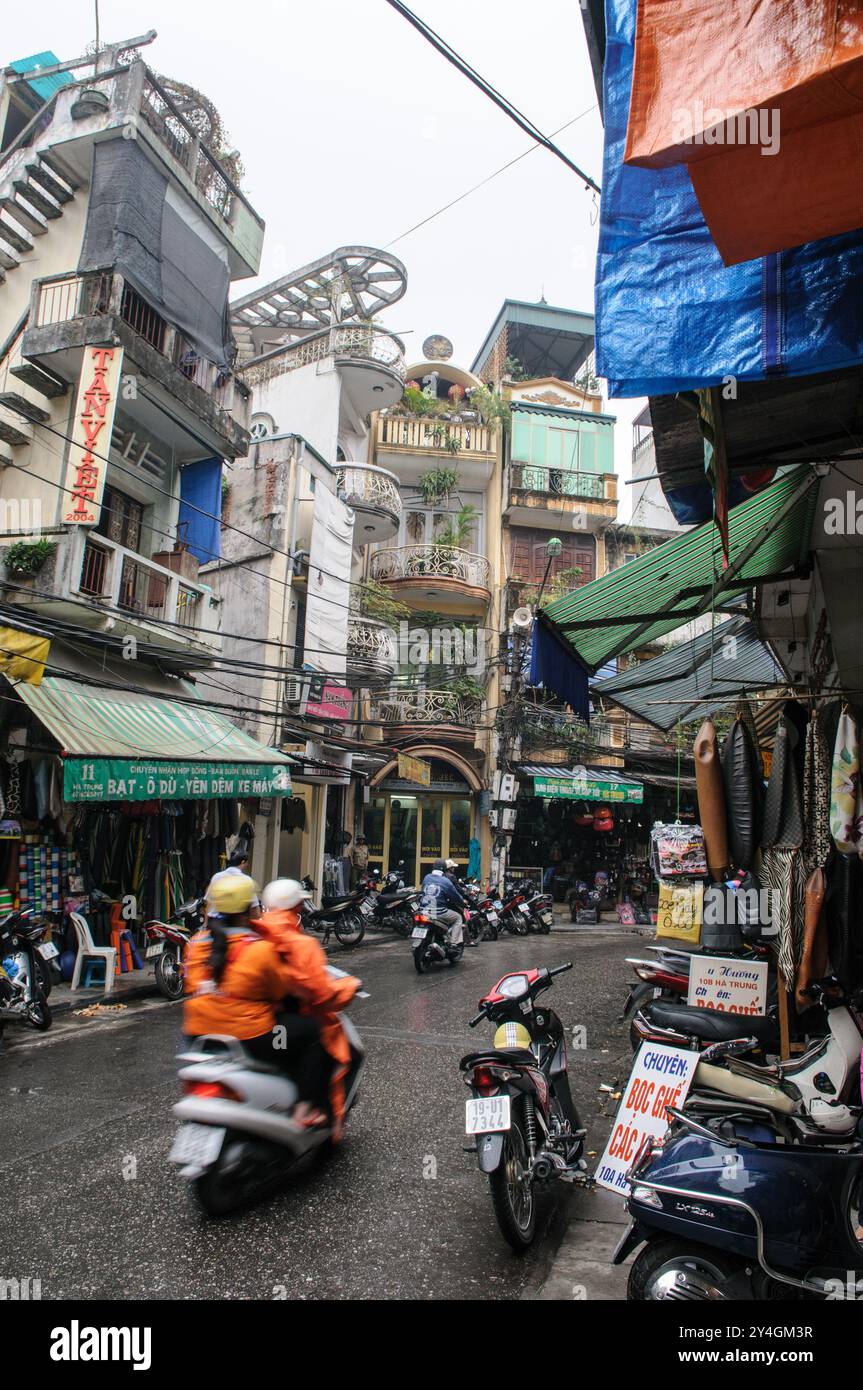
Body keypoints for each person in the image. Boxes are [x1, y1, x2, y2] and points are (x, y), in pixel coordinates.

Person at [183, 873, 329, 1127]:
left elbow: (191, 985)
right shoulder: (260, 948)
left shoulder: (196, 944)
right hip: (250, 1036)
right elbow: (278, 991)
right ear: (247, 910)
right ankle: (304, 1108)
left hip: (196, 1034)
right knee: (312, 1033)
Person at [257, 879, 362, 1140]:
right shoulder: (302, 945)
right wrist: (349, 986)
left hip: (253, 1022)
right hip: (281, 1024)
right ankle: (308, 1108)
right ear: (296, 907)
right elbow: (321, 993)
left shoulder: (254, 934)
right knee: (322, 1040)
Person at [418, 858, 466, 947]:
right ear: (444, 868)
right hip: (438, 912)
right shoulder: (446, 881)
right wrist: (462, 902)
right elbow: (455, 896)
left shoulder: (426, 877)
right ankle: (454, 943)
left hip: (423, 911)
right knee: (458, 918)